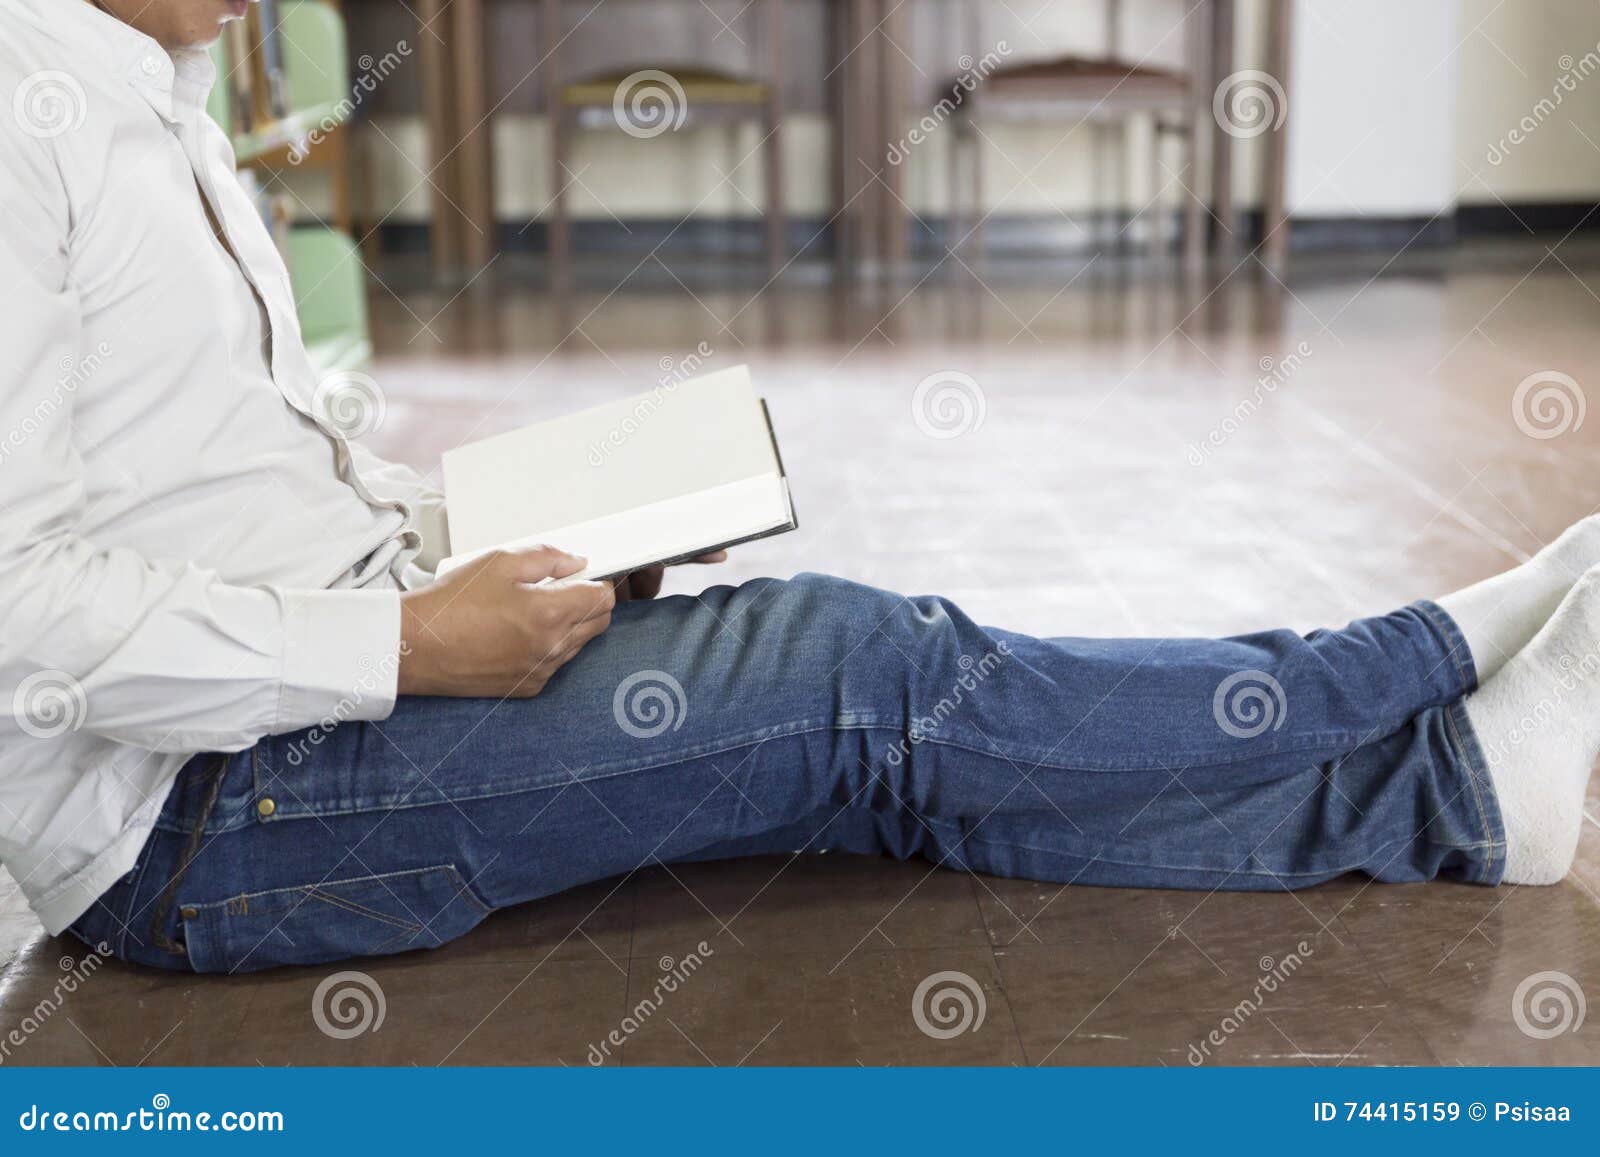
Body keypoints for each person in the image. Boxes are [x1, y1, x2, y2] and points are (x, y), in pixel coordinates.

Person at [0, 0, 1592, 975]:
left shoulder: (152, 87)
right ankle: (1414, 663)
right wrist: (419, 647)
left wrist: (478, 540)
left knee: (878, 762)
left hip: (305, 693)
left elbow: (225, 483)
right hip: (203, 827)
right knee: (858, 672)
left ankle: (1454, 795)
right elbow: (20, 619)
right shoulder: (23, 112)